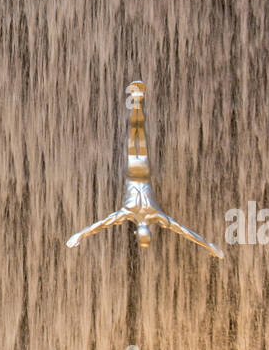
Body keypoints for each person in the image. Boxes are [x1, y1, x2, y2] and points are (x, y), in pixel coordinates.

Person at [67, 82, 224, 255]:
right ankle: (137, 101)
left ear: (139, 233)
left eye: (142, 237)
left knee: (137, 130)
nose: (143, 235)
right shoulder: (150, 214)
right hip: (139, 170)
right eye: (145, 237)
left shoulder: (131, 213)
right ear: (141, 233)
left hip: (136, 169)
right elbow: (183, 231)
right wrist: (208, 246)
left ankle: (137, 101)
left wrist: (80, 235)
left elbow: (101, 224)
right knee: (137, 131)